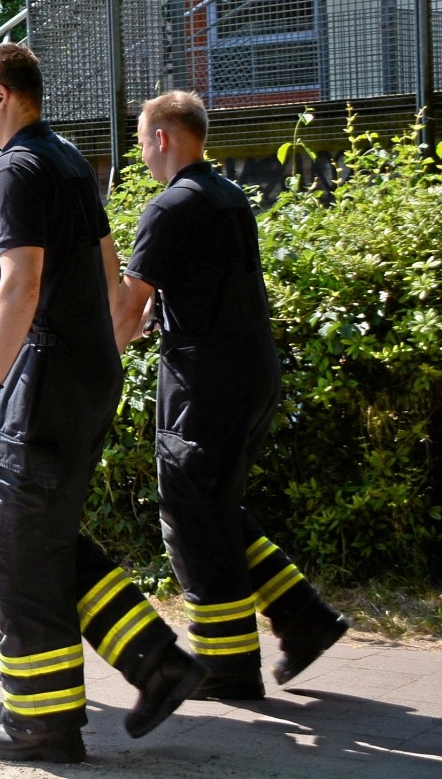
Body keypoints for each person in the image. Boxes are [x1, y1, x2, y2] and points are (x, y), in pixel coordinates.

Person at [0, 44, 206, 763]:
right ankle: (158, 664)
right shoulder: (68, 159)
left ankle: (43, 724)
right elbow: (108, 269)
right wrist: (100, 355)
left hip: (42, 379)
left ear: (2, 95)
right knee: (48, 538)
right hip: (88, 372)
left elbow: (20, 286)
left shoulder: (13, 169)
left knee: (9, 550)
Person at [112, 91, 349, 700]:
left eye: (141, 139)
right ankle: (304, 617)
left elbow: (128, 310)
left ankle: (229, 667)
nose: (140, 152)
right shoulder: (228, 196)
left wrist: (90, 364)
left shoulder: (170, 208)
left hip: (203, 383)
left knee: (192, 515)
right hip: (250, 373)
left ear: (163, 137)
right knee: (215, 505)